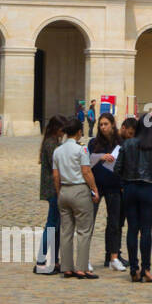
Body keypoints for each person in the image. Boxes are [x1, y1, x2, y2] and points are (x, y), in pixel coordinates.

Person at [118, 115, 152, 283]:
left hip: (130, 188)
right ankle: (146, 269)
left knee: (132, 229)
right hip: (149, 189)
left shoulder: (128, 144)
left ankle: (134, 269)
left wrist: (124, 183)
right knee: (146, 230)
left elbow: (117, 168)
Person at [54, 116, 100, 280]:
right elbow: (86, 171)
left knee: (66, 231)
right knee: (84, 230)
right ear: (79, 132)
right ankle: (81, 267)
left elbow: (56, 175)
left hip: (64, 190)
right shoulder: (82, 149)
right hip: (79, 190)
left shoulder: (58, 150)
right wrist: (94, 189)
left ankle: (66, 267)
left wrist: (59, 192)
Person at [87, 112, 127, 271]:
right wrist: (101, 157)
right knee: (89, 221)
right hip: (96, 186)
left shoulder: (121, 143)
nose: (103, 127)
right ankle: (85, 257)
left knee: (114, 223)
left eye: (106, 124)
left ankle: (113, 257)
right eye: (101, 125)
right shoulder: (93, 143)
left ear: (112, 124)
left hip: (114, 186)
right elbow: (87, 163)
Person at [33, 116, 66, 275]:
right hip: (53, 188)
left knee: (56, 225)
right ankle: (40, 261)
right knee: (52, 225)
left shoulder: (53, 142)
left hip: (53, 188)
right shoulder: (51, 144)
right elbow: (57, 168)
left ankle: (55, 261)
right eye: (62, 128)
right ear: (56, 128)